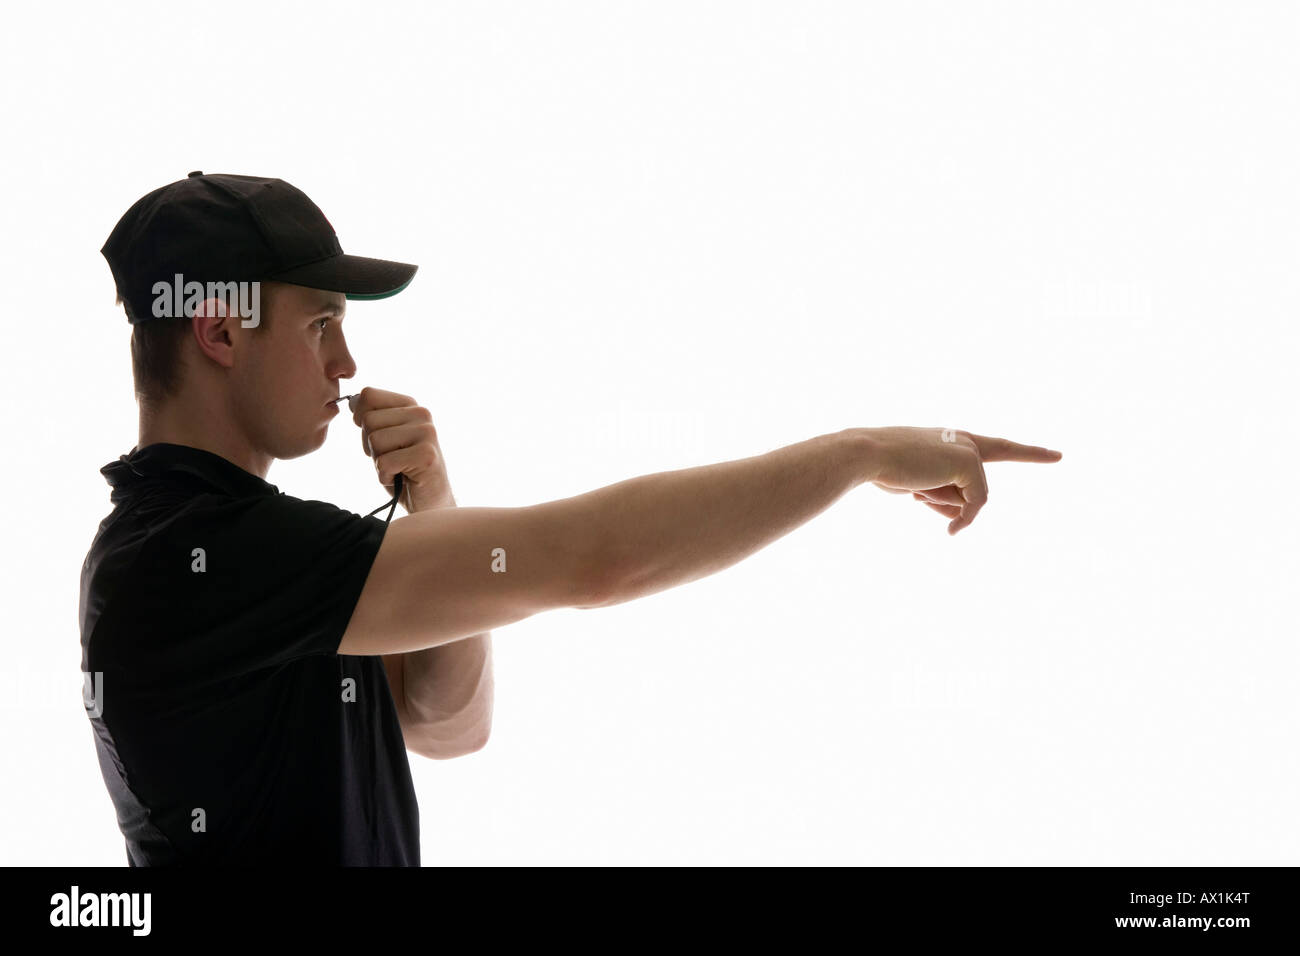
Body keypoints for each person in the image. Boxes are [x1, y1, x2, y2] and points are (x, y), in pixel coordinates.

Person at [83, 171, 1062, 866]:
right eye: (320, 324)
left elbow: (447, 722)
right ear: (217, 330)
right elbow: (597, 561)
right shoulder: (199, 556)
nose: (345, 366)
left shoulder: (241, 550)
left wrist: (434, 498)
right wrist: (860, 452)